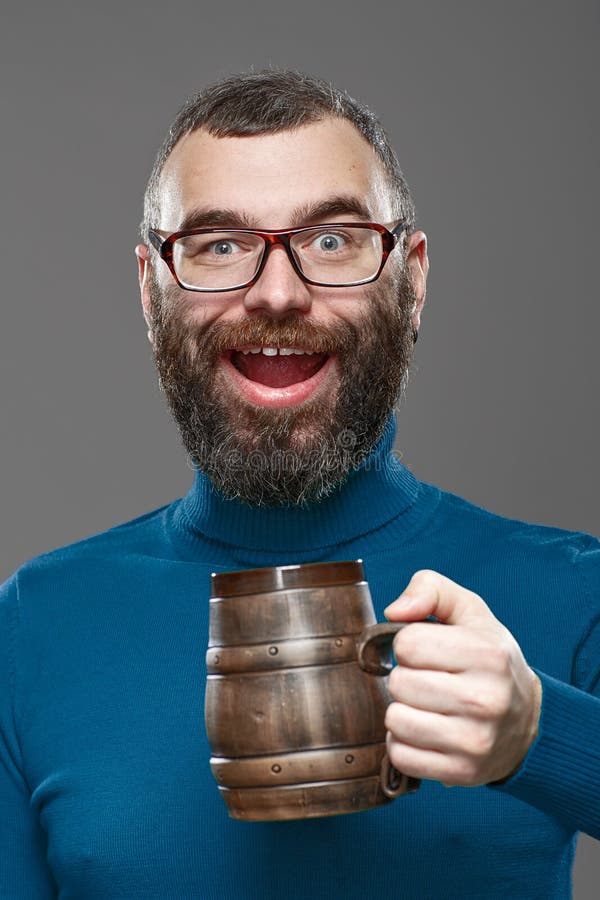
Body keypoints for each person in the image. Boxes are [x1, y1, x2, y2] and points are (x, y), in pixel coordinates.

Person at [0, 69, 598, 900]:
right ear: (150, 289)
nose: (277, 293)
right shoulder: (34, 624)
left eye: (330, 240)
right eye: (219, 246)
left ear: (412, 278)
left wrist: (544, 735)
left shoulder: (572, 587)